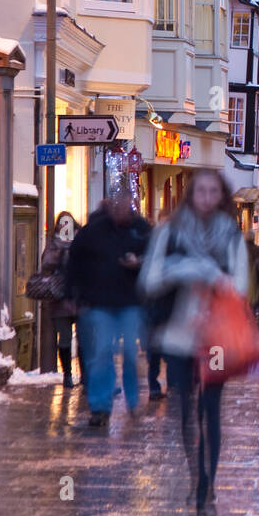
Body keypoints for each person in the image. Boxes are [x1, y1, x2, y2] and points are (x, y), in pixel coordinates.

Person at [138, 169, 250, 516]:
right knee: (186, 411)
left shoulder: (231, 235)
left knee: (210, 409)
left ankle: (206, 485)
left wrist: (214, 276)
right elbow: (149, 279)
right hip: (177, 336)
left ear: (221, 195)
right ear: (190, 194)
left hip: (215, 340)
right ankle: (195, 474)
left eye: (211, 191)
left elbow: (242, 288)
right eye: (199, 190)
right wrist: (183, 270)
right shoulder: (168, 231)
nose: (205, 197)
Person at [65, 183, 152, 428]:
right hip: (99, 303)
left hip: (132, 303)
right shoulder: (93, 231)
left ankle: (133, 401)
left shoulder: (142, 230)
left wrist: (140, 263)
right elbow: (75, 261)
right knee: (102, 353)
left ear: (130, 204)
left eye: (123, 204)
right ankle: (100, 407)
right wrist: (72, 294)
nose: (119, 210)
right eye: (115, 205)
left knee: (131, 355)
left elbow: (157, 260)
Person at [38, 211, 82, 389]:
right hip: (60, 297)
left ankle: (84, 375)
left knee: (84, 338)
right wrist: (58, 250)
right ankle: (67, 375)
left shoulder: (81, 240)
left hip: (80, 297)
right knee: (64, 338)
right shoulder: (54, 244)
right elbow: (45, 264)